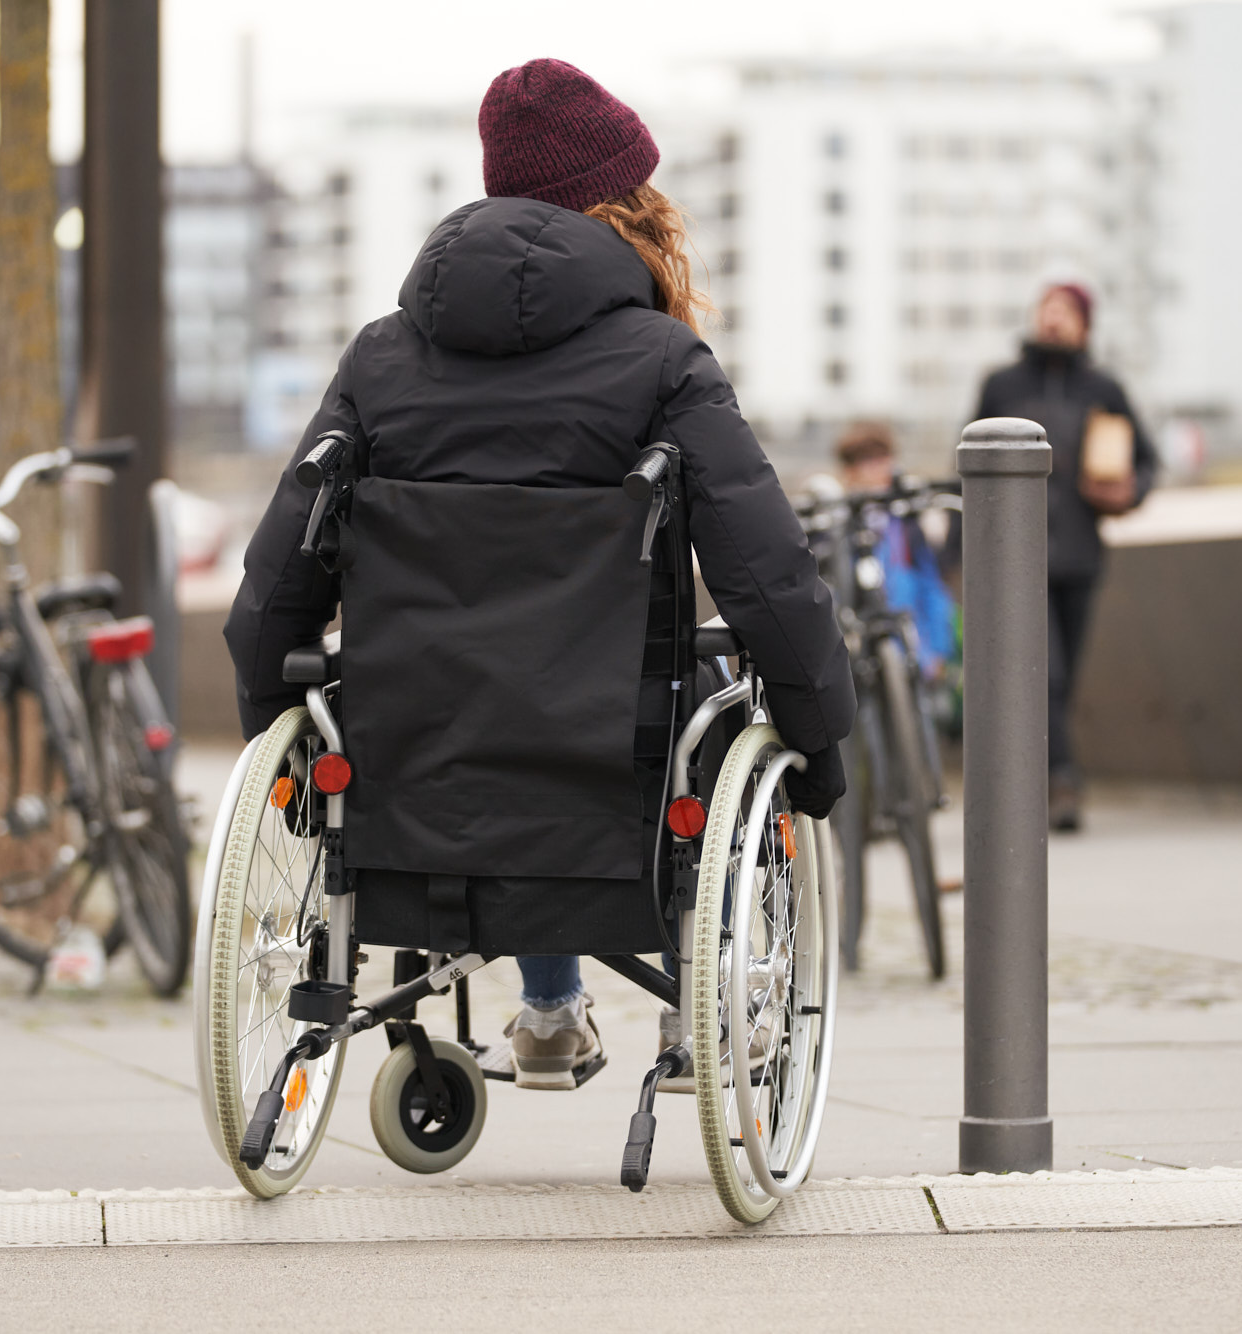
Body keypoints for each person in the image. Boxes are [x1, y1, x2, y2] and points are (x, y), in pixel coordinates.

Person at [225, 60, 854, 1090]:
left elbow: (274, 582)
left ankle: (549, 1004)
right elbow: (768, 581)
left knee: (480, 707)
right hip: (610, 769)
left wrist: (281, 750)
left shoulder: (379, 361)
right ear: (621, 206)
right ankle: (669, 1002)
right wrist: (817, 745)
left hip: (415, 768)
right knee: (701, 693)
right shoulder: (660, 361)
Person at [971, 282, 1157, 832]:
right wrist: (962, 549)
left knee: (1063, 676)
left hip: (1079, 558)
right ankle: (1063, 781)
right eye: (1047, 310)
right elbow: (972, 459)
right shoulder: (1001, 386)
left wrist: (1131, 491)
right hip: (1013, 562)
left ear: (1085, 325)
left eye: (1066, 312)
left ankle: (1038, 777)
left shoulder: (1105, 389)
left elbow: (1147, 463)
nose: (1053, 321)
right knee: (1042, 673)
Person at [834, 422, 958, 684]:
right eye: (865, 462)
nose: (877, 470)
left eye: (882, 460)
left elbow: (930, 586)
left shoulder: (906, 523)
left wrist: (937, 650)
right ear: (849, 471)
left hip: (914, 645)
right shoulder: (836, 526)